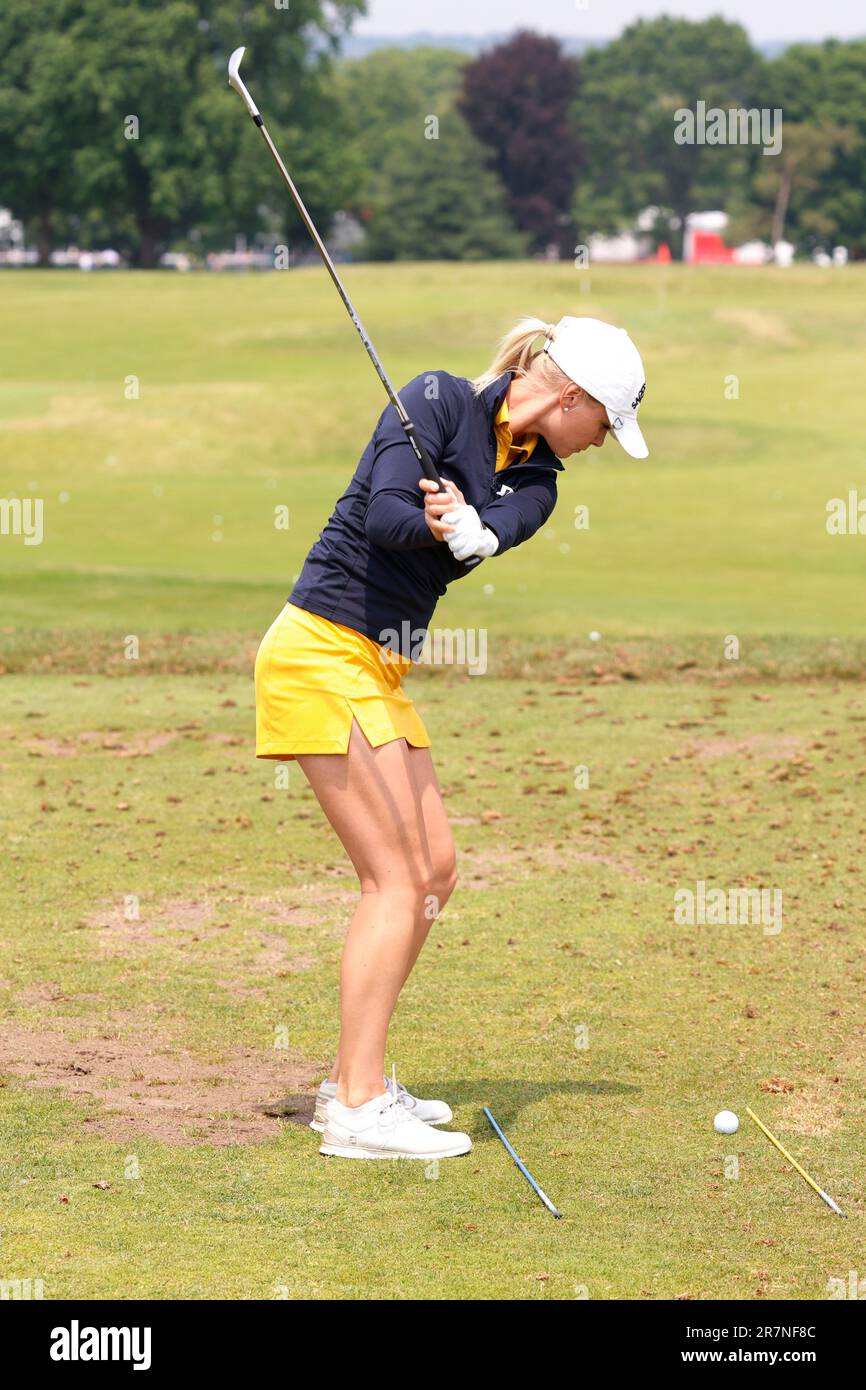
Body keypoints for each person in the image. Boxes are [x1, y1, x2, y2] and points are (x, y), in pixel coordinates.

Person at [254, 315, 649, 1159]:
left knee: (433, 873)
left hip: (378, 669)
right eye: (606, 425)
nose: (603, 443)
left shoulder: (540, 480)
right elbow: (384, 522)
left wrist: (475, 528)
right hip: (322, 648)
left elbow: (500, 530)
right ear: (572, 396)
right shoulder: (434, 400)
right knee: (393, 880)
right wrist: (440, 518)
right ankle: (357, 1112)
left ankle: (353, 1077)